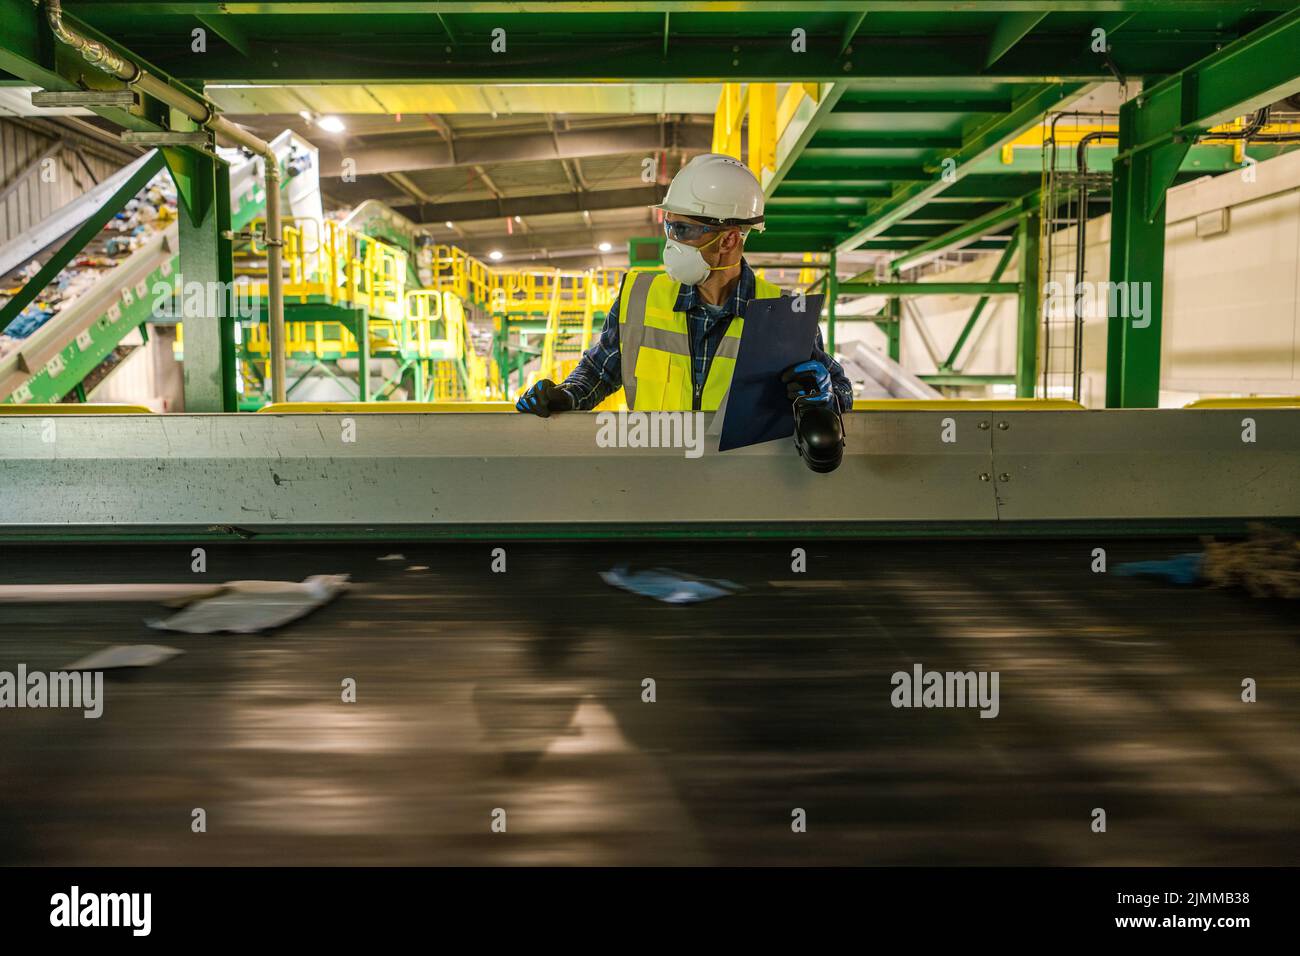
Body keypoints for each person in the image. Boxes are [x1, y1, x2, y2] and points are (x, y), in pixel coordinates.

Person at [515, 153, 852, 421]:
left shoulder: (783, 313)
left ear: (730, 239)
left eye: (684, 230)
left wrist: (824, 397)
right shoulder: (639, 296)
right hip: (658, 481)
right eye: (669, 227)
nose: (672, 243)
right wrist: (565, 395)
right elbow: (599, 373)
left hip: (742, 490)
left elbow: (839, 389)